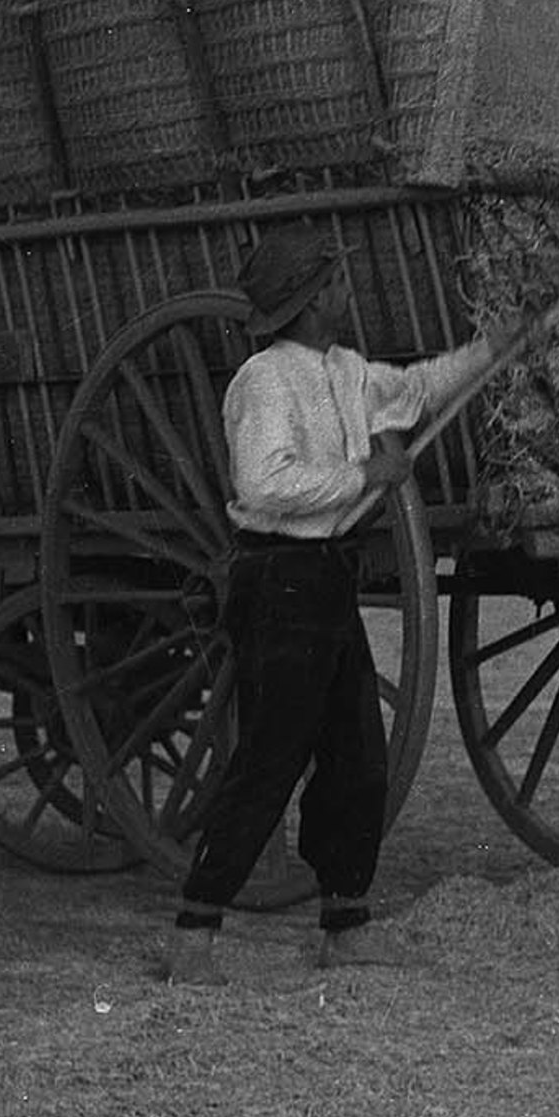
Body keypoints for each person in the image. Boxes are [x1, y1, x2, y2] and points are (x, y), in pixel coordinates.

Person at [163, 229, 496, 985]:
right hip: (278, 579)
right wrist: (362, 474)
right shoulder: (262, 381)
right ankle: (194, 933)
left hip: (326, 578)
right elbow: (265, 485)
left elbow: (417, 390)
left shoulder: (346, 371)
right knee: (270, 759)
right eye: (338, 287)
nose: (348, 296)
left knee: (358, 757)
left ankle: (343, 925)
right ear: (312, 302)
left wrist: (496, 347)